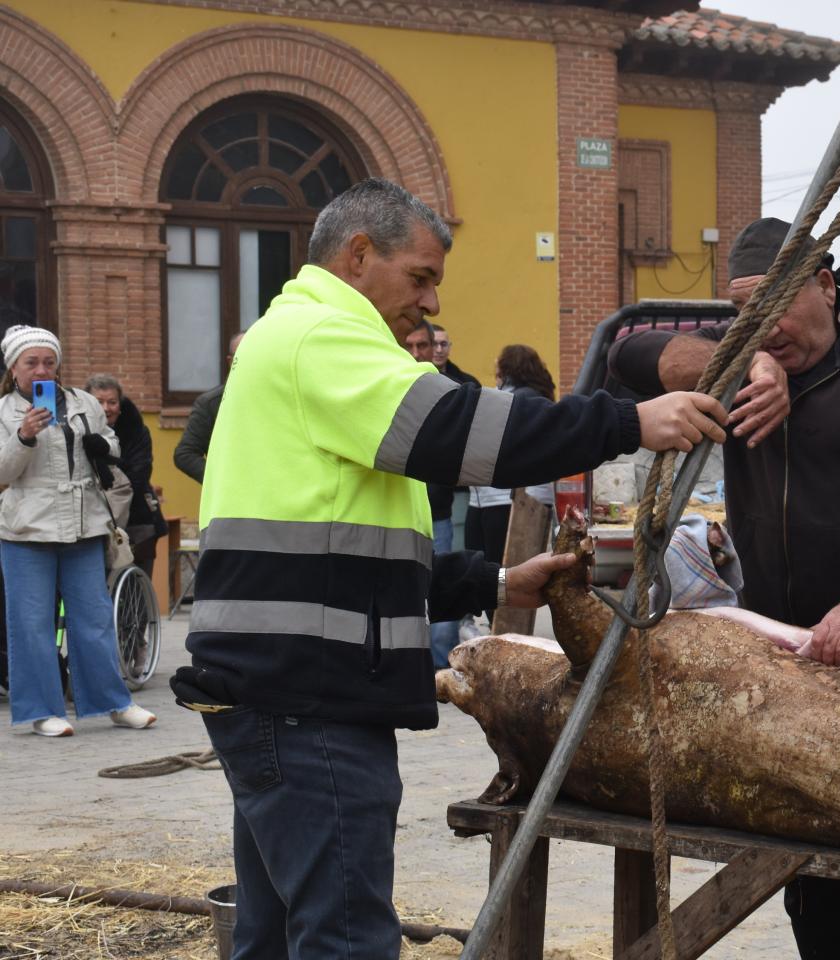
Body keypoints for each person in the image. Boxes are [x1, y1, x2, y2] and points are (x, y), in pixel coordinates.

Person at [168, 177, 725, 958]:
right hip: (308, 703)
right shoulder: (321, 337)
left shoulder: (292, 335)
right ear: (359, 255)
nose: (429, 303)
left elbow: (347, 546)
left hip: (277, 693)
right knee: (347, 939)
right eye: (421, 277)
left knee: (277, 935)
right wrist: (629, 420)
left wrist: (492, 584)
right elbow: (463, 433)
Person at [607, 216, 840, 960]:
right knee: (801, 864)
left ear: (826, 286)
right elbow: (625, 351)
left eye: (773, 311)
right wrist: (734, 365)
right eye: (742, 314)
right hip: (783, 653)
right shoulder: (743, 353)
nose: (760, 331)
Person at [0, 326, 157, 736]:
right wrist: (24, 436)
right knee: (32, 623)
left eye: (49, 362)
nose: (42, 370)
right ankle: (41, 711)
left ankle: (115, 702)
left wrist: (104, 449)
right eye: (31, 362)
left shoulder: (83, 401)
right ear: (13, 367)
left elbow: (111, 443)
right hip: (26, 529)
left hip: (84, 524)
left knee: (94, 619)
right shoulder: (4, 411)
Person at [463, 344, 559, 622]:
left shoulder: (515, 401)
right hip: (500, 499)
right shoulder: (535, 399)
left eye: (498, 369)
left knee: (496, 572)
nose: (495, 375)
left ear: (508, 370)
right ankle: (497, 625)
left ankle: (498, 629)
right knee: (497, 571)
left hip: (502, 500)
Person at [424, 322, 478, 665]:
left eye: (444, 343)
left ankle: (440, 665)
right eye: (435, 343)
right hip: (413, 503)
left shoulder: (462, 384)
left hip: (444, 500)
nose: (438, 349)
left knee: (441, 576)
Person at [86, 374, 169, 584]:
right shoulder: (78, 433)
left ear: (120, 406)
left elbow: (139, 473)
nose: (106, 408)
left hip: (137, 520)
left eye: (112, 402)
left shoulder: (136, 431)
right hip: (88, 522)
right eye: (99, 402)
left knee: (134, 589)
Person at [173, 332, 243, 484]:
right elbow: (185, 454)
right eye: (243, 355)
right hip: (230, 503)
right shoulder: (210, 404)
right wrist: (221, 482)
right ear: (231, 361)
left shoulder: (278, 397)